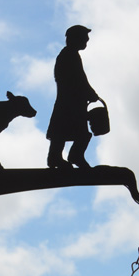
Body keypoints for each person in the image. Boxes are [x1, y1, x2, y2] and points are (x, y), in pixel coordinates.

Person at [46, 24, 99, 168]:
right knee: (63, 133)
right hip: (69, 102)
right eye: (84, 39)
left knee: (68, 133)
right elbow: (78, 79)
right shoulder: (69, 56)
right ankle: (61, 158)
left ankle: (68, 156)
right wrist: (91, 93)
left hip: (73, 101)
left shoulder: (71, 55)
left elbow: (80, 79)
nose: (86, 43)